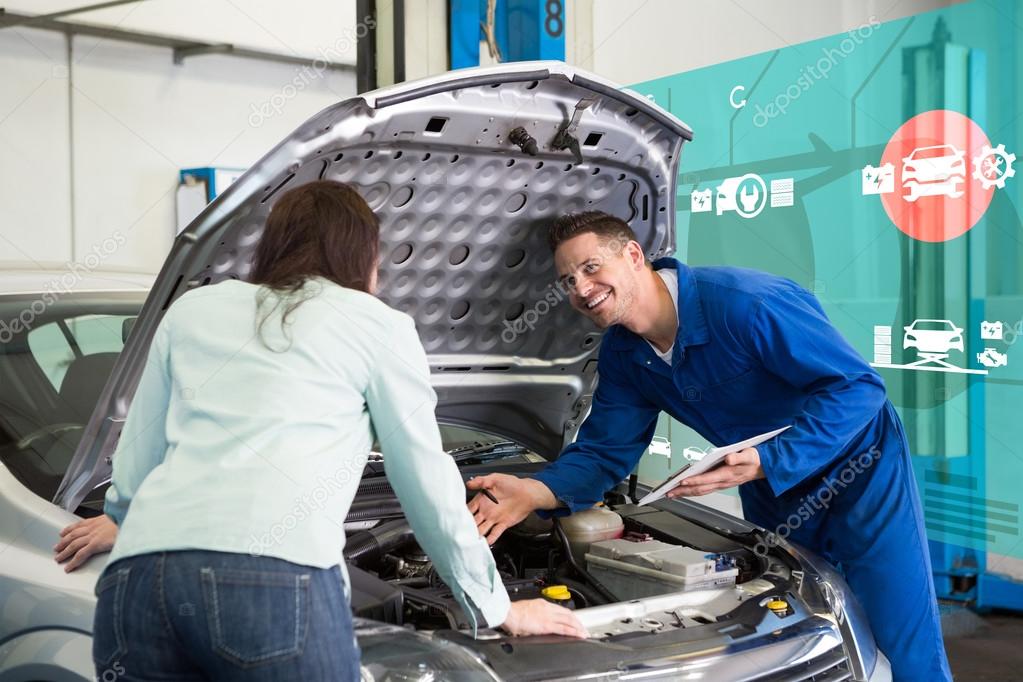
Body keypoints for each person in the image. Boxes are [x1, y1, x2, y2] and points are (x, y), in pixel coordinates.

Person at [55, 181, 586, 681]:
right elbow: (424, 479)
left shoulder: (193, 309)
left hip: (139, 584)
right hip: (270, 585)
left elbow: (139, 449)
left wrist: (122, 518)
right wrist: (494, 606)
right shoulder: (376, 325)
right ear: (365, 256)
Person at [467, 211, 951, 682]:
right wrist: (536, 491)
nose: (581, 288)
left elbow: (857, 388)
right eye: (568, 280)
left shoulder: (747, 304)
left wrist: (771, 459)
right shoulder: (623, 353)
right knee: (793, 626)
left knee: (899, 631)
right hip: (765, 479)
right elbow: (603, 452)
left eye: (591, 267)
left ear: (633, 255)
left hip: (859, 465)